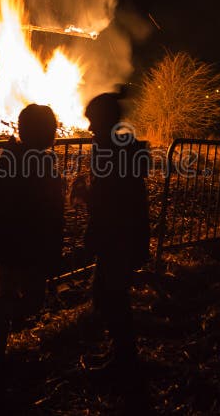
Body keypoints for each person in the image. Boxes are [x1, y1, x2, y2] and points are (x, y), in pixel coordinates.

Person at [71, 91, 150, 372]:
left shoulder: (113, 149)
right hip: (122, 235)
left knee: (111, 296)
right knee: (107, 294)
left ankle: (124, 359)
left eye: (93, 121)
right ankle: (120, 353)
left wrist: (84, 194)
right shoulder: (120, 145)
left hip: (118, 236)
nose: (90, 128)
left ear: (105, 121)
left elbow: (111, 199)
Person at [0, 104, 65, 364]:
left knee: (11, 296)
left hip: (12, 240)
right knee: (28, 298)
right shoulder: (40, 162)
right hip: (31, 243)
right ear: (49, 134)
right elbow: (53, 207)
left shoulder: (12, 157)